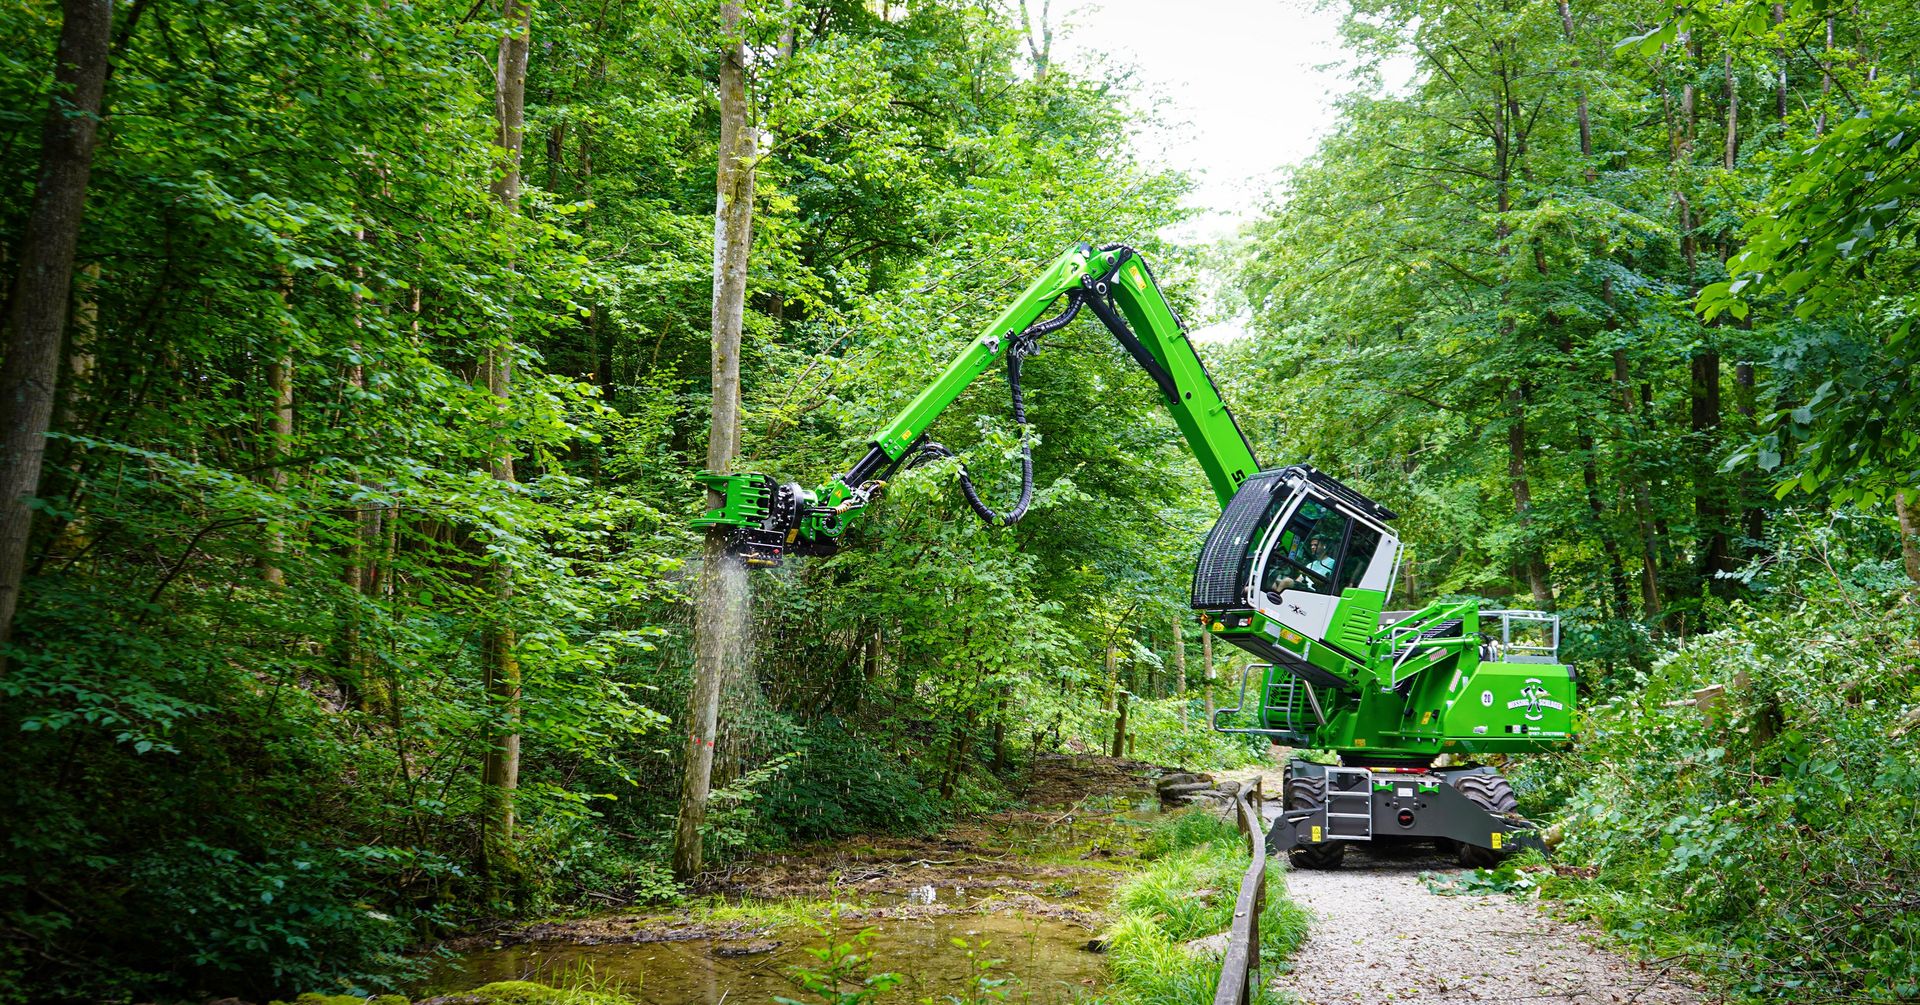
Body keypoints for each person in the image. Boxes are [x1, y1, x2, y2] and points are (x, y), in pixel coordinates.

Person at [1264, 535, 1336, 600]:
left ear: (1324, 546)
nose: (1312, 547)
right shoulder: (1311, 564)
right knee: (1276, 580)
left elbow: (1323, 583)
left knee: (1287, 581)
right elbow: (1299, 580)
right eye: (1311, 545)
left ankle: (1274, 600)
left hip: (1315, 592)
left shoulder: (1331, 562)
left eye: (1315, 545)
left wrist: (1307, 574)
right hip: (1304, 588)